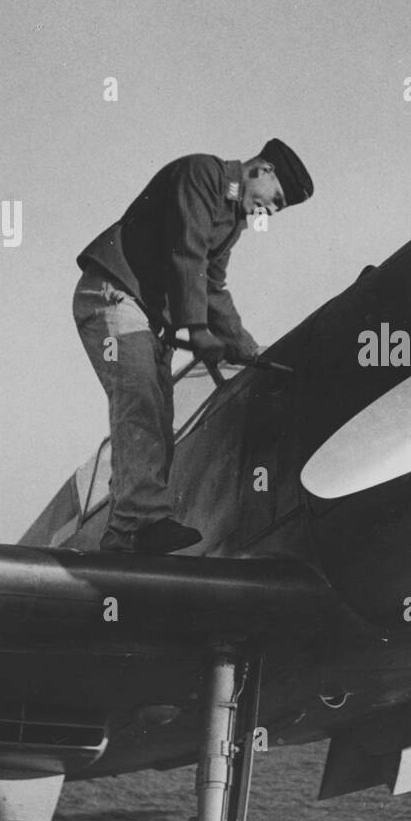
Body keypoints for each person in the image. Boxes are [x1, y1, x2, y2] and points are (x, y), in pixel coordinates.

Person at [73, 140, 313, 554]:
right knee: (141, 403)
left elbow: (212, 284)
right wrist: (199, 330)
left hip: (148, 317)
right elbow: (187, 253)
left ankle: (122, 540)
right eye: (275, 201)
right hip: (114, 294)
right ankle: (137, 526)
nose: (270, 213)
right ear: (262, 171)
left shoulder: (232, 221)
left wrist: (243, 346)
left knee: (157, 421)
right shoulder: (203, 174)